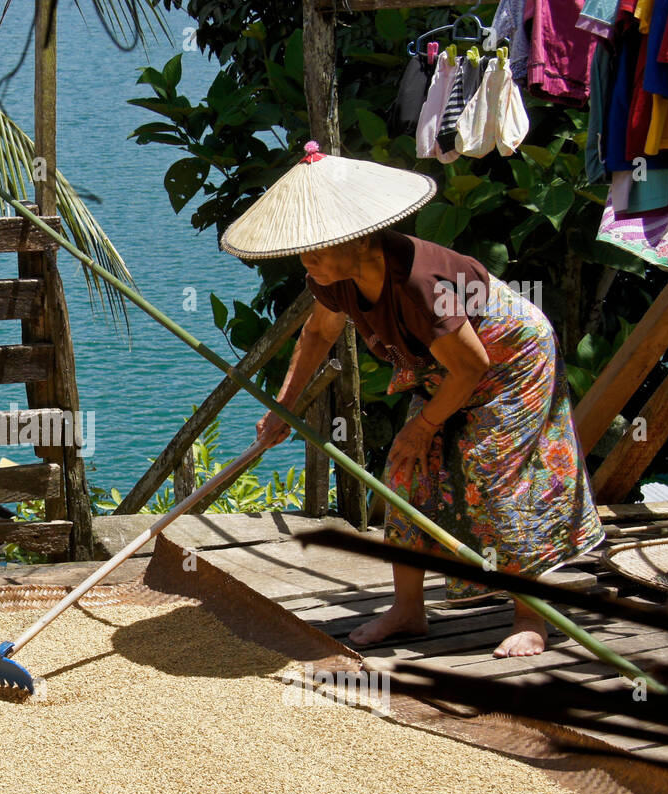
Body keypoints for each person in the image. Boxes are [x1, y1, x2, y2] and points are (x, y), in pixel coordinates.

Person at [221, 142, 604, 658]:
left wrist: (423, 424)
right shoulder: (331, 278)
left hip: (511, 363)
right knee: (405, 473)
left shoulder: (423, 283)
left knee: (496, 475)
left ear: (358, 239)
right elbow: (317, 336)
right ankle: (407, 610)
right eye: (304, 249)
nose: (307, 260)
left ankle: (530, 615)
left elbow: (472, 366)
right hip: (443, 367)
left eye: (319, 247)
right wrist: (284, 407)